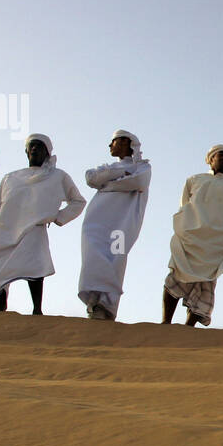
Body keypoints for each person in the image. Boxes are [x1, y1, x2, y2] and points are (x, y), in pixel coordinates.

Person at [0, 134, 86, 314]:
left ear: (47, 153)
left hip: (34, 228)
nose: (35, 149)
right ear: (26, 151)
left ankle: (37, 309)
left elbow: (78, 201)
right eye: (32, 146)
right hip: (5, 228)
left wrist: (58, 217)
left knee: (35, 268)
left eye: (39, 146)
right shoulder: (10, 177)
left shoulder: (58, 176)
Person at [163, 144, 223, 327]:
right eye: (219, 154)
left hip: (216, 242)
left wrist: (221, 233)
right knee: (176, 274)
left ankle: (189, 327)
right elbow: (184, 205)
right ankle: (165, 321)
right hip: (190, 237)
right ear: (211, 159)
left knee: (206, 284)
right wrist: (188, 226)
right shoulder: (195, 179)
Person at [78, 131, 151, 320]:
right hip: (96, 221)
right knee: (92, 256)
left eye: (114, 141)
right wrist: (120, 173)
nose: (110, 145)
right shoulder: (108, 167)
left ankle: (107, 306)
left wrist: (107, 184)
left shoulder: (142, 167)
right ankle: (94, 303)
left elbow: (137, 182)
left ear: (127, 142)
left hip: (122, 223)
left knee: (116, 256)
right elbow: (91, 178)